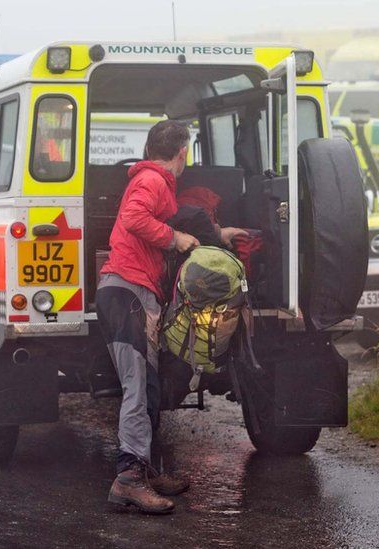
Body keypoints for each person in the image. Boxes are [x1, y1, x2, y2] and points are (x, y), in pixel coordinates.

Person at [96, 120, 245, 514]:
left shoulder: (157, 181)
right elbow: (133, 218)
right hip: (127, 291)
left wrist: (213, 233)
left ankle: (146, 470)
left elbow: (175, 218)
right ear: (183, 153)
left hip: (131, 292)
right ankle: (128, 481)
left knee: (149, 386)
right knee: (138, 388)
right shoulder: (152, 181)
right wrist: (174, 239)